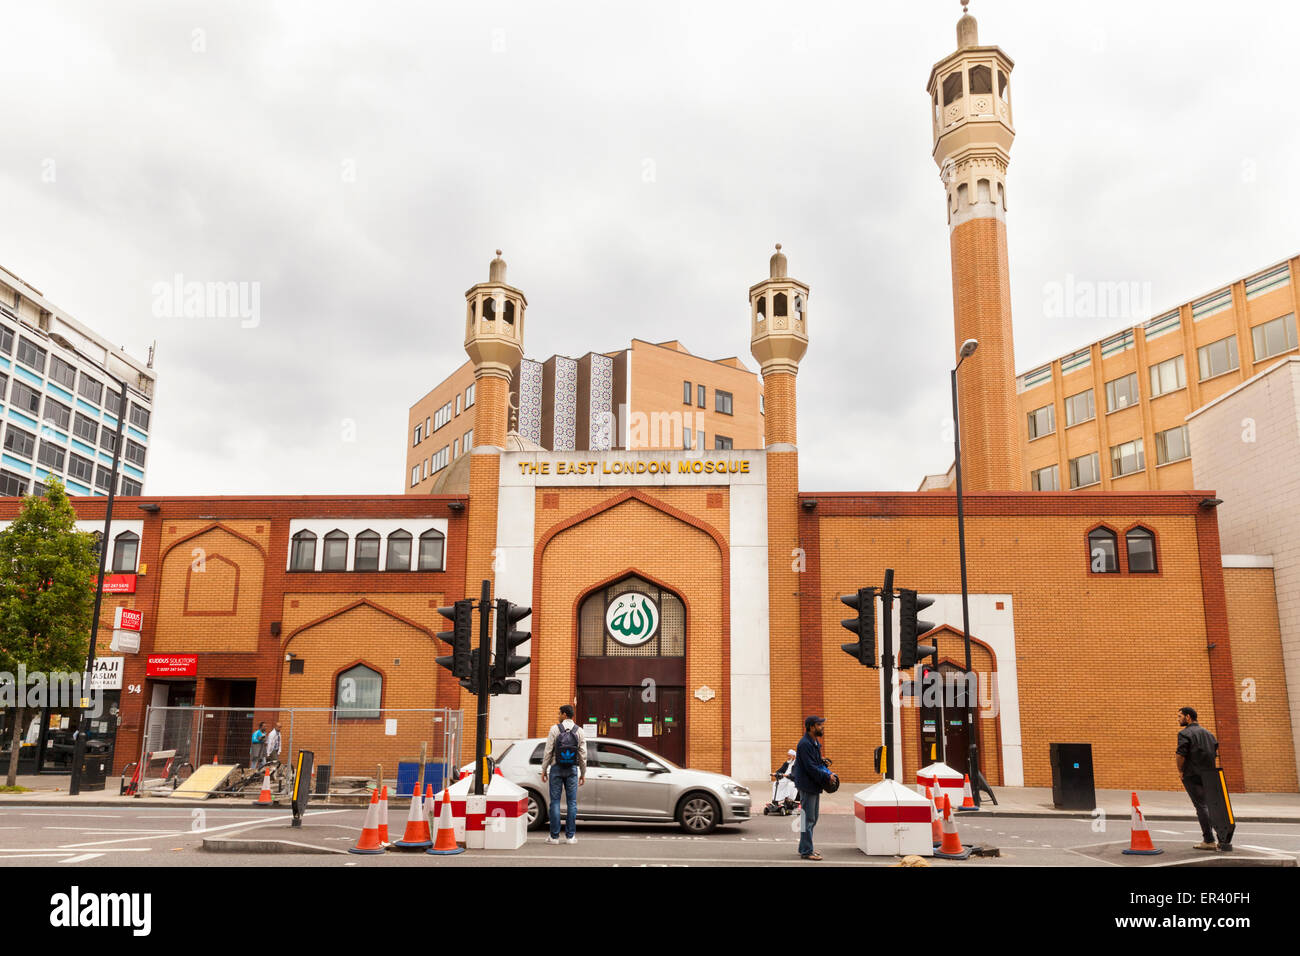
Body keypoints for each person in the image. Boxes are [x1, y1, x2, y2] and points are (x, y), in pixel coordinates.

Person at [1176, 706, 1230, 851]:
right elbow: (1214, 753)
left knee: (1201, 806)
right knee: (1213, 806)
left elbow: (1180, 755)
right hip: (1209, 775)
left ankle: (1208, 840)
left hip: (1192, 774)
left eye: (1180, 716)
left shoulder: (1184, 733)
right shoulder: (1209, 734)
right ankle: (1223, 840)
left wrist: (1180, 770)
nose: (1178, 719)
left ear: (1188, 717)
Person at [791, 716, 838, 860]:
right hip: (807, 785)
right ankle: (806, 851)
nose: (822, 727)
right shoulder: (805, 744)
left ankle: (805, 847)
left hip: (812, 784)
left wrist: (827, 771)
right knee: (808, 819)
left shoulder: (814, 742)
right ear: (811, 727)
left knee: (812, 818)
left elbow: (817, 763)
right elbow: (810, 767)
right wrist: (826, 776)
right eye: (819, 725)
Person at [540, 704, 586, 845]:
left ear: (565, 714)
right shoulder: (580, 731)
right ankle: (570, 837)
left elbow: (548, 751)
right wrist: (582, 773)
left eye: (559, 713)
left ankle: (554, 837)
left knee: (555, 802)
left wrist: (544, 769)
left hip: (556, 768)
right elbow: (583, 755)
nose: (558, 716)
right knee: (572, 802)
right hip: (572, 769)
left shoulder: (554, 729)